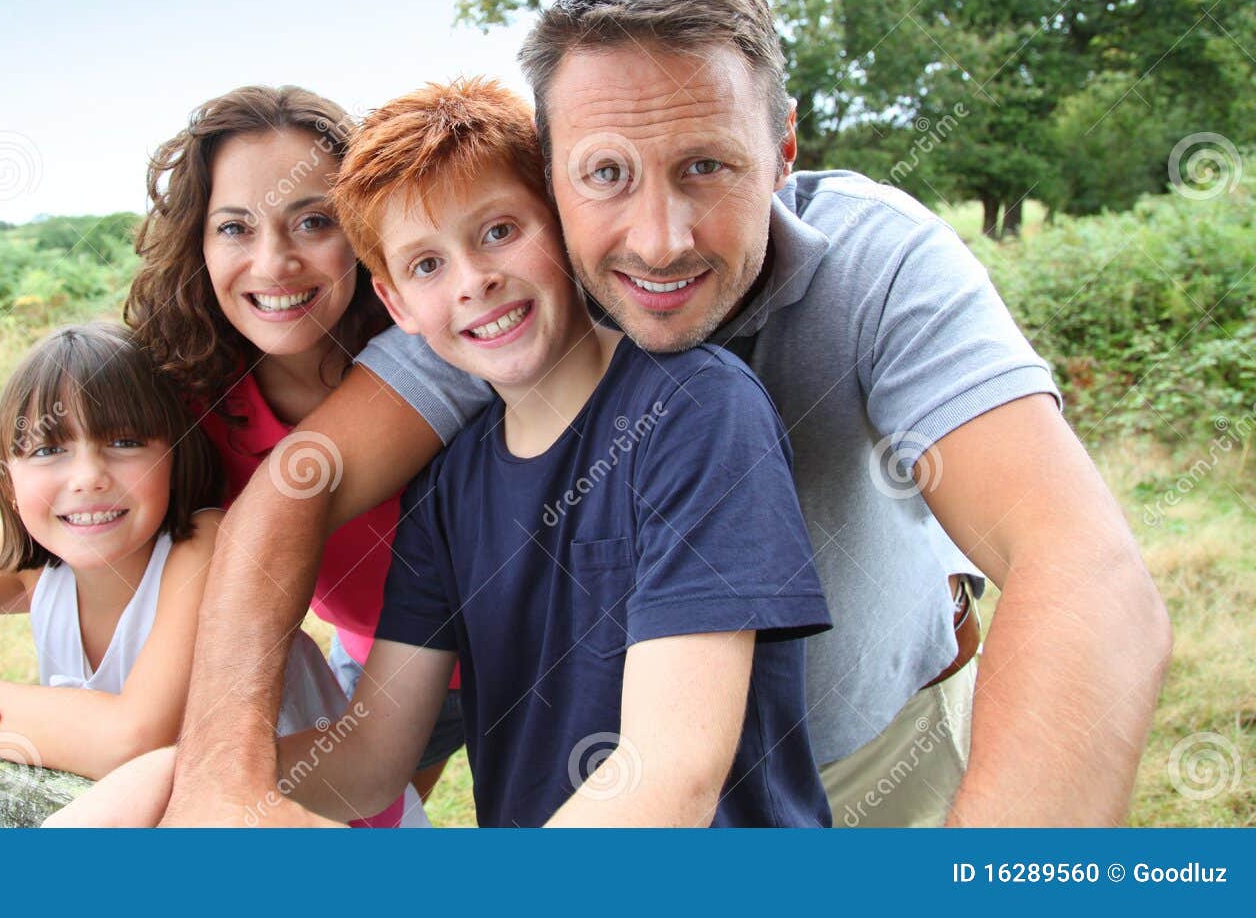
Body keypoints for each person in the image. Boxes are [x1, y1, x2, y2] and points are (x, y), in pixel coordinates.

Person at [146, 0, 1168, 827]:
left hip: (886, 742)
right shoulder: (491, 304)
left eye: (707, 166)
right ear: (548, 177)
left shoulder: (875, 265)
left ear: (781, 149)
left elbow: (1081, 569)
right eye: (604, 174)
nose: (660, 238)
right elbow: (299, 487)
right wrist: (215, 781)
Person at [49, 77, 830, 827]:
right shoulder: (450, 486)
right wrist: (176, 776)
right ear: (394, 303)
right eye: (427, 264)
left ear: (561, 221)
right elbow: (371, 756)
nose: (474, 281)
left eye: (499, 231)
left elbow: (670, 778)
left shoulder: (694, 409)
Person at [0, 85, 462, 802]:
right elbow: (37, 549)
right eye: (233, 227)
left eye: (313, 220)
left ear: (361, 227)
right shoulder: (189, 398)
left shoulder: (424, 343)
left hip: (511, 647)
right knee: (363, 818)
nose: (273, 260)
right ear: (197, 240)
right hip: (378, 659)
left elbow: (292, 494)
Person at [0, 321, 426, 826]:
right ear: (8, 481)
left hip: (329, 821)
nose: (88, 476)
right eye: (47, 450)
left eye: (124, 442)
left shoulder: (203, 547)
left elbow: (131, 738)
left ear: (175, 456)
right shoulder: (31, 560)